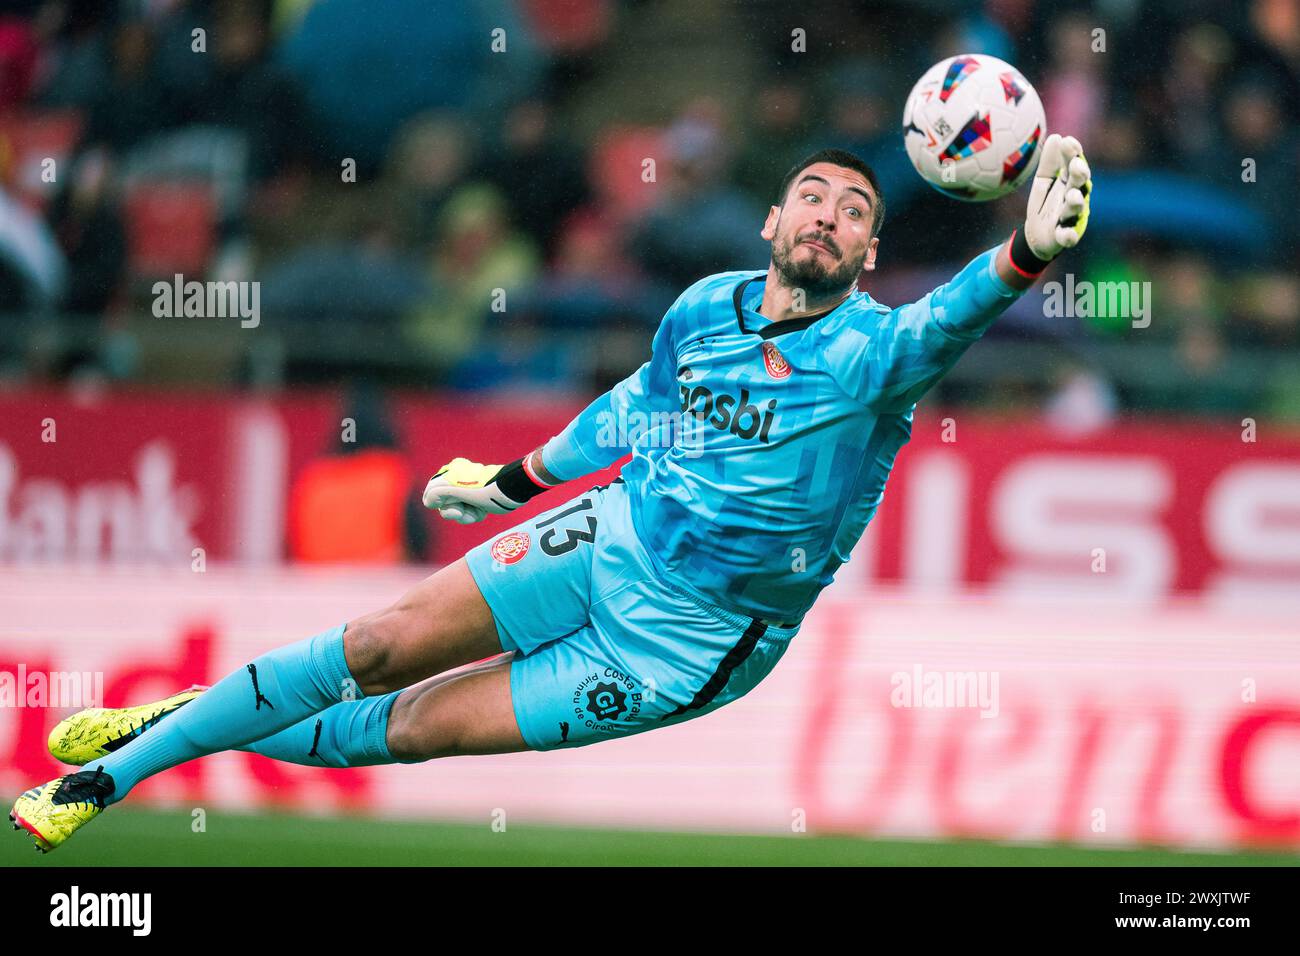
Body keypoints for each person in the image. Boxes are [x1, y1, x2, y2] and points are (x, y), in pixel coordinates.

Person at [11, 138, 1092, 851]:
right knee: (376, 643)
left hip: (682, 644)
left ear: (866, 251)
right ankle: (108, 780)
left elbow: (945, 316)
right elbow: (636, 407)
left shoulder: (877, 353)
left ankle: (195, 719)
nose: (826, 216)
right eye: (810, 196)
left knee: (390, 731)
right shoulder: (704, 306)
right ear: (771, 222)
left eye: (852, 211)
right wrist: (514, 478)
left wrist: (1023, 256)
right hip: (606, 532)